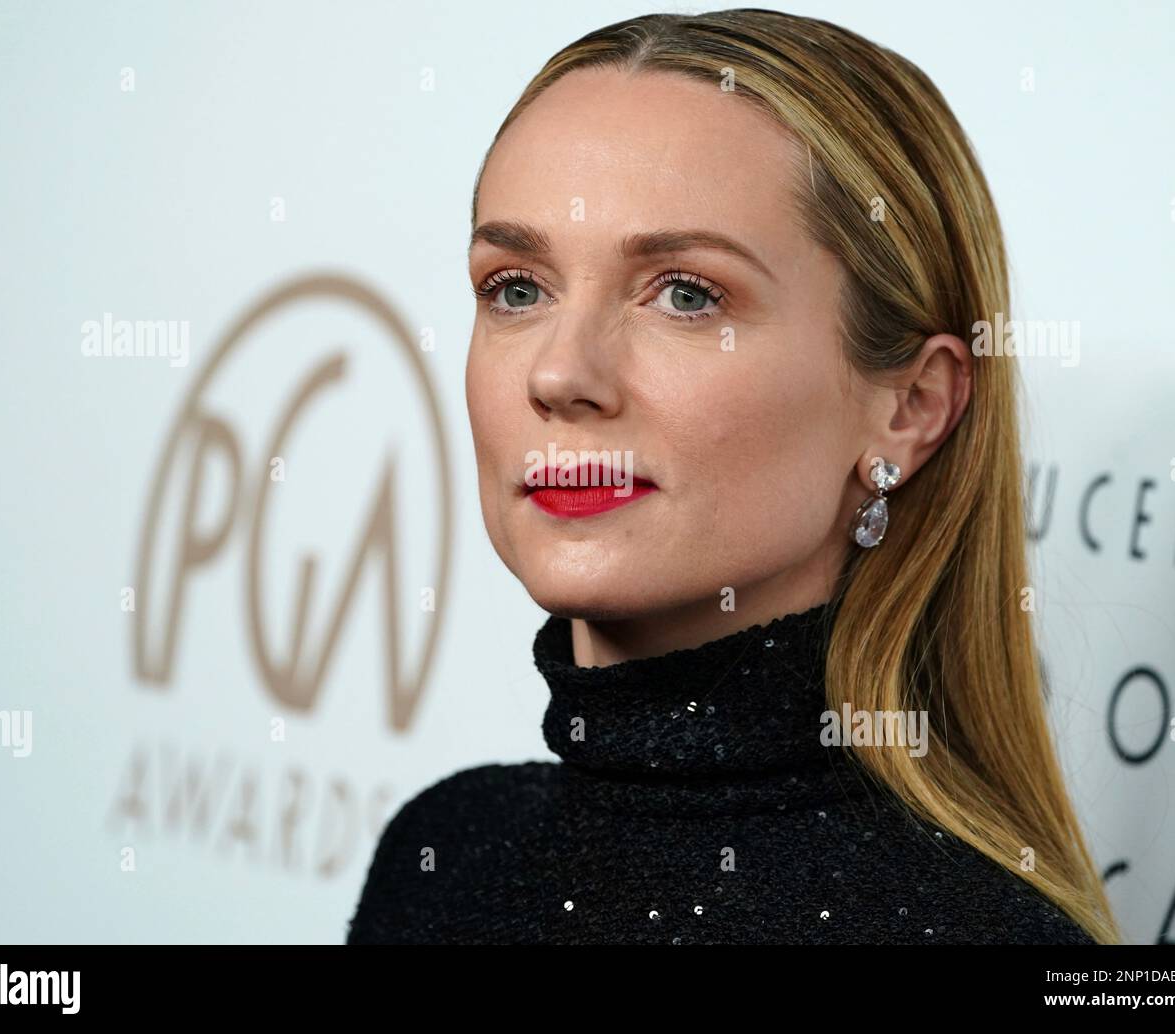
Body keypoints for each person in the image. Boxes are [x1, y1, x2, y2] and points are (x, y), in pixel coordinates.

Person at [346, 9, 1120, 945]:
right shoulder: (444, 853)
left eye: (686, 294)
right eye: (517, 288)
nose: (558, 375)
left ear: (911, 406)